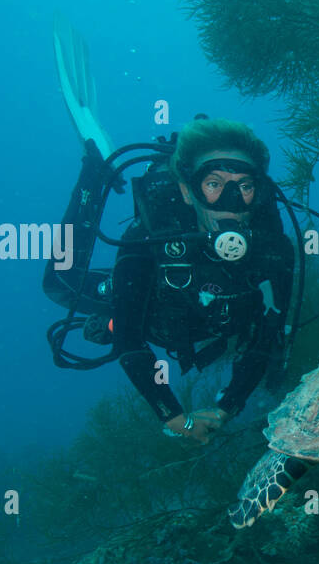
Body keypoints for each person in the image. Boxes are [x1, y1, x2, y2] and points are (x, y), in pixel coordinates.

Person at [110, 119, 294, 443]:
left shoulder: (274, 251)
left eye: (245, 186)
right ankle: (92, 172)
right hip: (158, 324)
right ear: (186, 190)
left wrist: (228, 406)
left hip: (223, 325)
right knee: (62, 285)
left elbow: (268, 335)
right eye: (214, 184)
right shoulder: (146, 239)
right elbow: (128, 339)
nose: (232, 201)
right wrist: (175, 416)